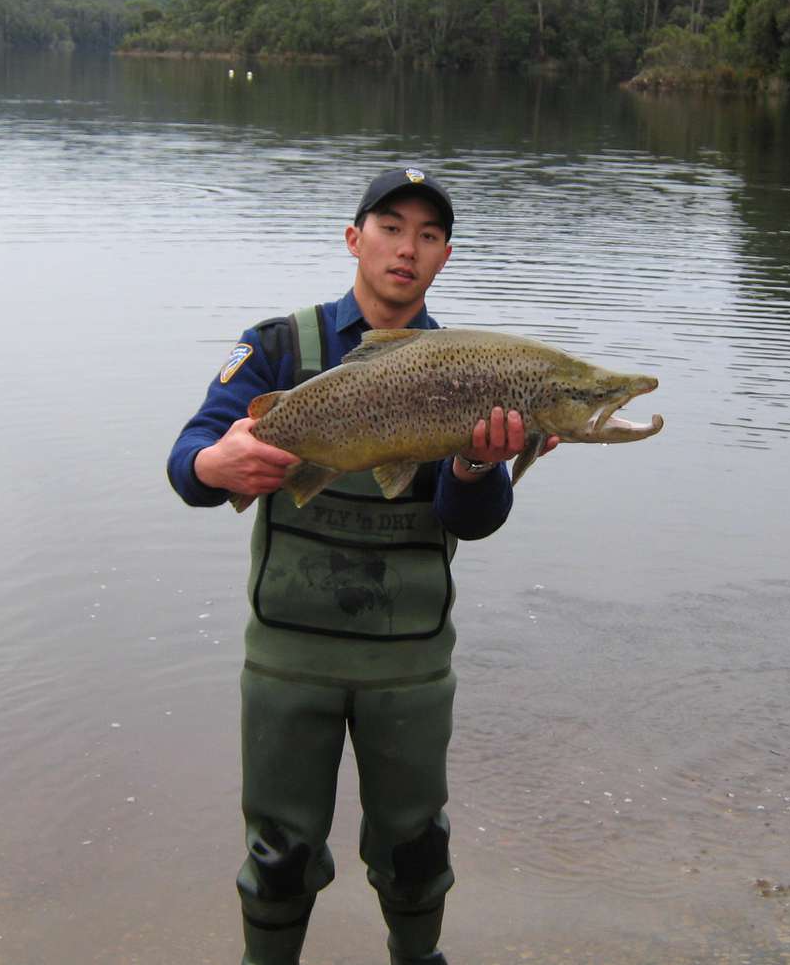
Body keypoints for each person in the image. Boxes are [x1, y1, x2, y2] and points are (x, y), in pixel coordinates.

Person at [167, 167, 550, 965]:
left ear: (445, 257)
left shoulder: (472, 368)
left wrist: (479, 469)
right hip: (288, 654)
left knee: (416, 853)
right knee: (279, 859)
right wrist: (215, 467)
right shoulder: (275, 348)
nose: (407, 249)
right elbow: (185, 461)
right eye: (390, 227)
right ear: (354, 238)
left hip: (408, 658)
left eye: (430, 235)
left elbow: (471, 522)